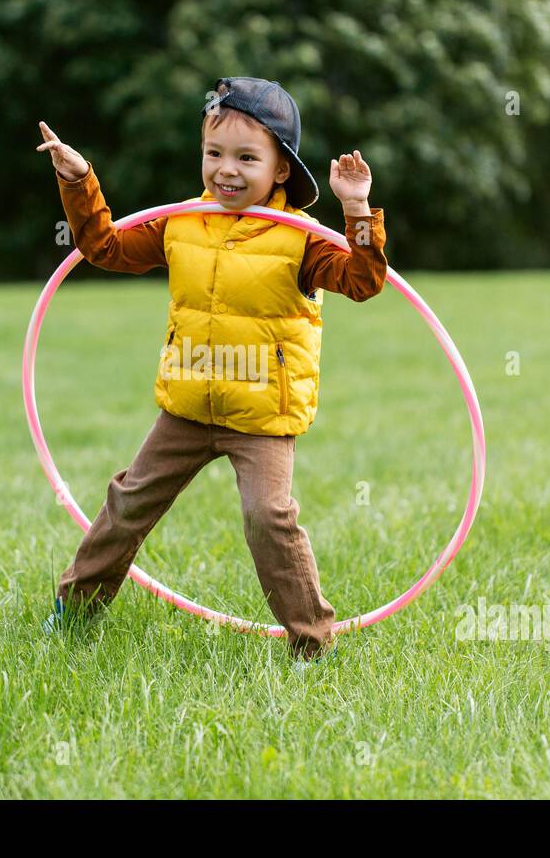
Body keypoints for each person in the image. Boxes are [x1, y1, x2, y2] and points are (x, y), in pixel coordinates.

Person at [34, 76, 387, 667]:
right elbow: (104, 249)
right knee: (128, 500)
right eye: (214, 154)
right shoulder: (181, 222)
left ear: (280, 170)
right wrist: (78, 180)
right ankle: (74, 611)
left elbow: (363, 280)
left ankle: (311, 641)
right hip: (189, 404)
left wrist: (355, 208)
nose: (226, 170)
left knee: (268, 516)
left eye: (247, 158)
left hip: (261, 413)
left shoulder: (298, 240)